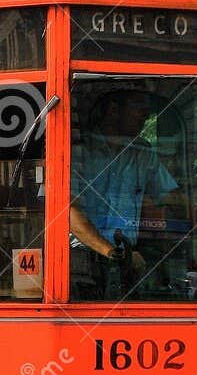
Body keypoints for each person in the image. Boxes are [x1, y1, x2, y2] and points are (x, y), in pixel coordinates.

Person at [69, 87, 178, 295]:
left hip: (126, 264)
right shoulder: (77, 150)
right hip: (78, 264)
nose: (145, 117)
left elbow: (172, 198)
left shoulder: (142, 153)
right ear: (113, 111)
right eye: (139, 109)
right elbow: (65, 211)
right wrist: (110, 252)